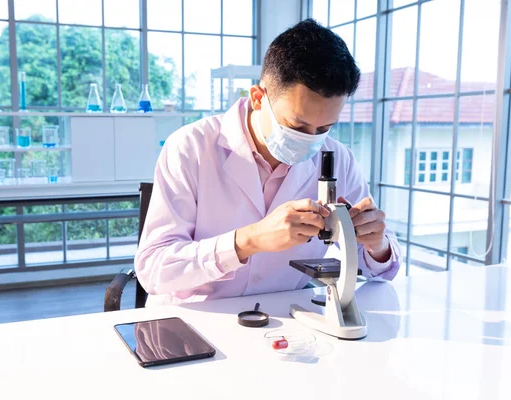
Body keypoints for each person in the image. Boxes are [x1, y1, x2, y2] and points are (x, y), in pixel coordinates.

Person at [135, 19, 402, 306]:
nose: (311, 140)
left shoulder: (338, 159)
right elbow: (153, 270)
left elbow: (381, 271)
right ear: (258, 97)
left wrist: (376, 243)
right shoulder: (190, 147)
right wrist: (248, 241)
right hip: (196, 318)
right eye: (297, 127)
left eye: (324, 128)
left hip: (287, 316)